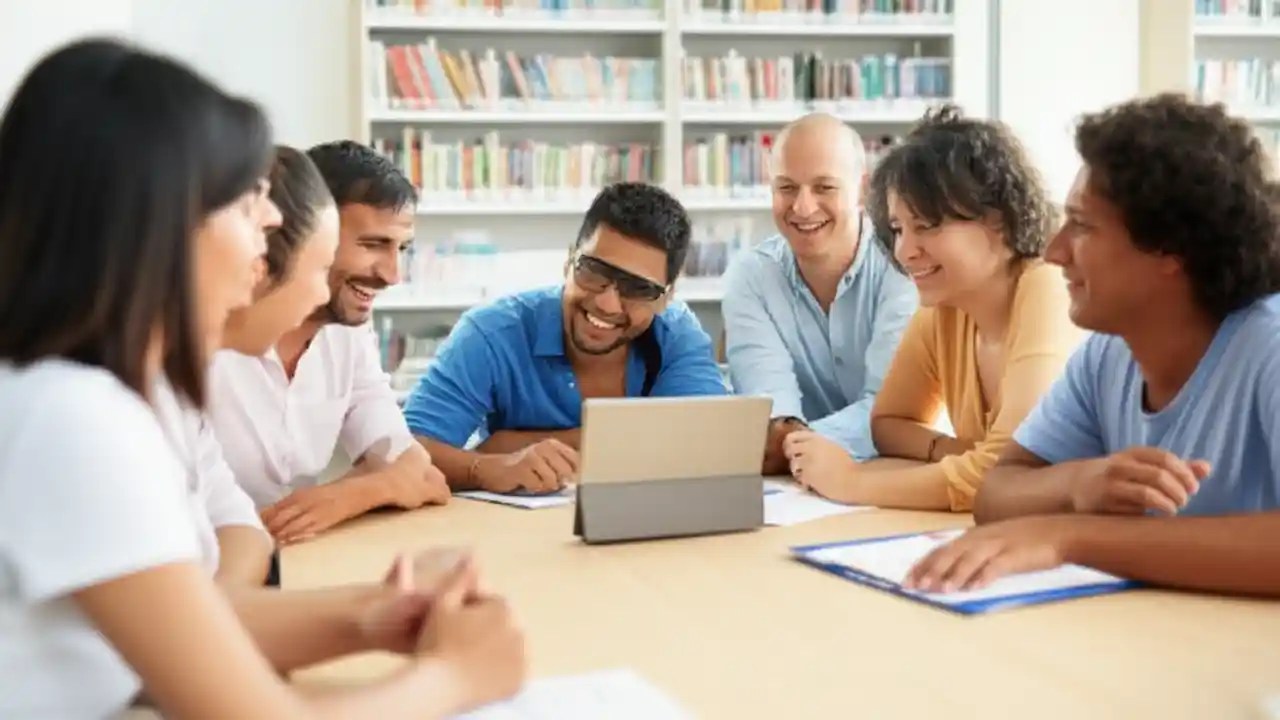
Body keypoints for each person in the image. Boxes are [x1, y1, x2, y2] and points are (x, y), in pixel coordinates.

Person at [0, 39, 525, 719]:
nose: (270, 229)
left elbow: (193, 623)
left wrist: (378, 613)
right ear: (159, 220)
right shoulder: (73, 418)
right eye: (248, 203)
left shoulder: (92, 396)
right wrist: (456, 677)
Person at [904, 94, 1280, 597]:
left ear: (1170, 249)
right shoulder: (1110, 354)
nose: (1054, 251)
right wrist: (1076, 485)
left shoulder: (1268, 345)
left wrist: (1070, 535)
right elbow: (996, 493)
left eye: (1081, 225)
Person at [782, 106, 1085, 512]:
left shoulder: (1048, 285)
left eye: (926, 226)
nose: (905, 251)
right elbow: (889, 425)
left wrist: (852, 483)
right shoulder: (948, 304)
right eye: (897, 229)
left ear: (1000, 219)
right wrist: (959, 453)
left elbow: (1007, 476)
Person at [404, 182, 728, 493]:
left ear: (665, 298)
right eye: (594, 271)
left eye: (638, 288)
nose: (606, 303)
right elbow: (405, 452)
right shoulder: (491, 333)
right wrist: (487, 467)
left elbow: (705, 445)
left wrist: (507, 444)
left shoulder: (677, 335)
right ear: (569, 260)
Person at [208, 140, 449, 546]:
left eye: (401, 249)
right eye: (372, 245)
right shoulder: (210, 340)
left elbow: (416, 469)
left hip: (293, 557)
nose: (392, 275)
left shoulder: (350, 334)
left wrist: (342, 497)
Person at [152, 145, 340, 588]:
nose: (325, 296)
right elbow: (185, 641)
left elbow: (243, 531)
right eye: (322, 270)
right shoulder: (86, 410)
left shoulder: (173, 389)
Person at [721, 113, 917, 475]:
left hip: (898, 471)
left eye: (824, 187)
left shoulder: (904, 264)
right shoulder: (750, 277)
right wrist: (789, 440)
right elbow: (771, 412)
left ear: (862, 189)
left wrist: (794, 444)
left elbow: (894, 411)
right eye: (786, 188)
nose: (803, 207)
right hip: (796, 485)